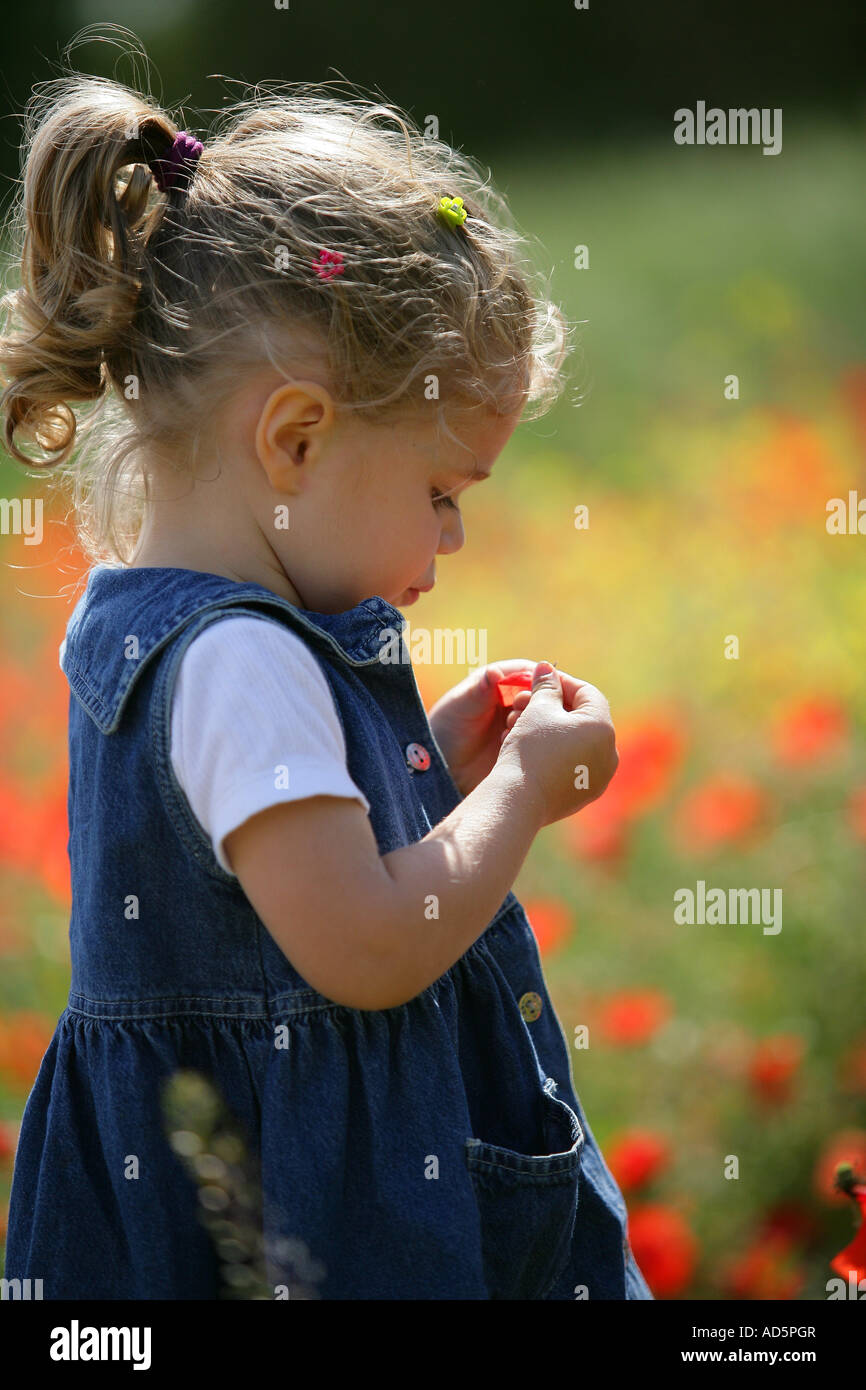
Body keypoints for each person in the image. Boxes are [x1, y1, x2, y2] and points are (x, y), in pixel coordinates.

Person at [0, 58, 653, 1299]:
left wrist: (432, 765)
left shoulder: (153, 619)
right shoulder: (243, 658)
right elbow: (361, 944)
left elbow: (277, 866)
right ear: (296, 438)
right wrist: (515, 796)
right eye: (439, 494)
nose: (449, 541)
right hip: (306, 1212)